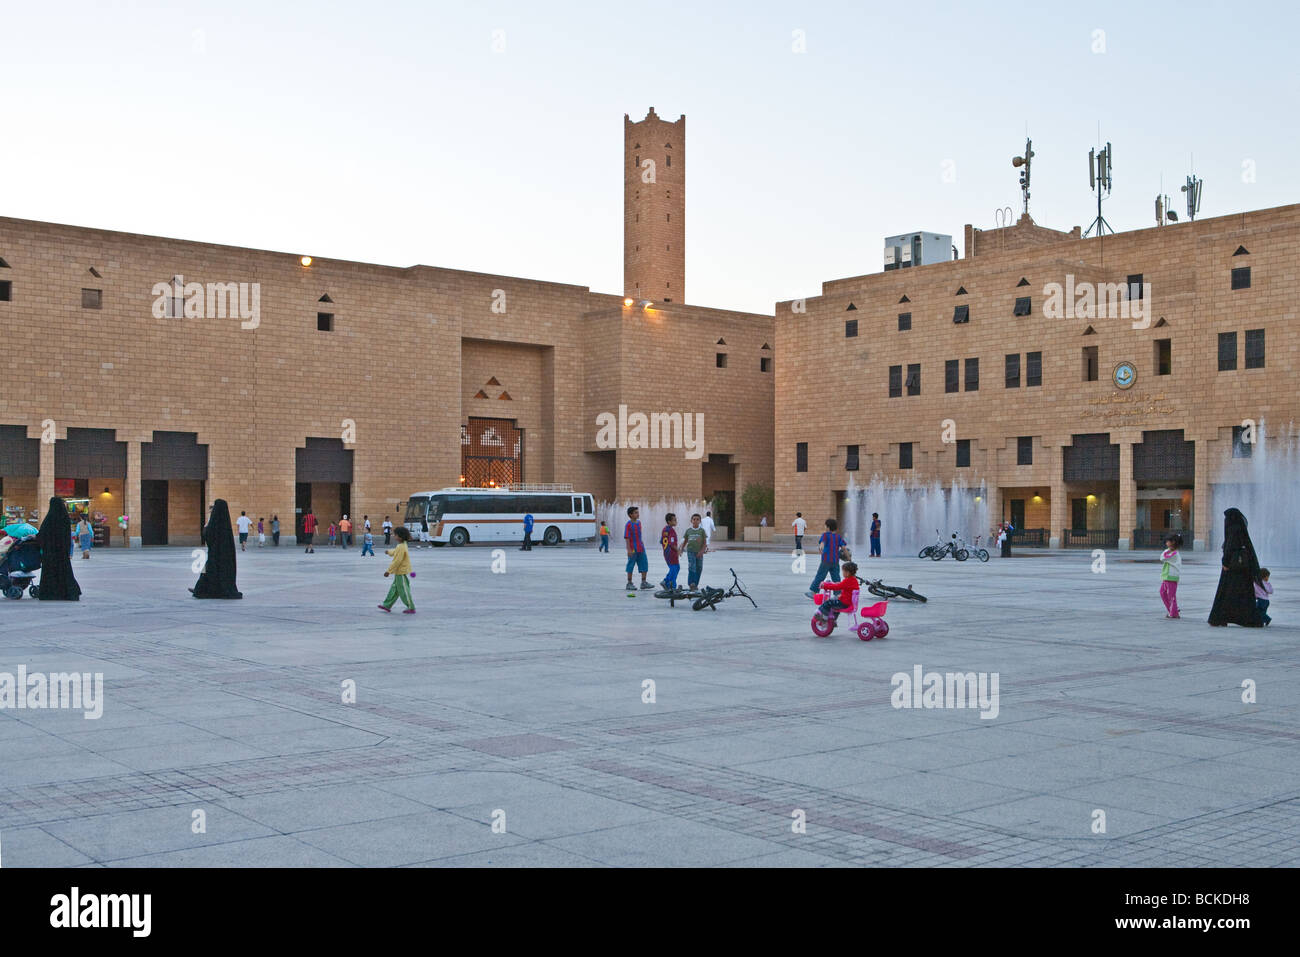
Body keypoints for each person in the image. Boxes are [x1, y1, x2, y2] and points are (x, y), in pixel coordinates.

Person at [1209, 507, 1264, 627]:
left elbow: (1230, 547)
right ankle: (1248, 619)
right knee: (1243, 593)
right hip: (1243, 568)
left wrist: (1225, 562)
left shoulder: (1233, 530)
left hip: (1232, 568)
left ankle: (1221, 617)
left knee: (1226, 592)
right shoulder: (1241, 530)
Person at [190, 499, 242, 598]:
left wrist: (205, 527)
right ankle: (201, 589)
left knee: (207, 572)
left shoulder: (214, 523)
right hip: (224, 557)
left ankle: (200, 590)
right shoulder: (226, 525)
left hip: (214, 555)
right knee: (212, 572)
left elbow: (208, 537)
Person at [36, 496, 81, 600]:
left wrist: (36, 538)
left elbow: (42, 535)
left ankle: (51, 593)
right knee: (64, 572)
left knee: (51, 572)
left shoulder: (49, 519)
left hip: (50, 553)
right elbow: (67, 537)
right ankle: (69, 592)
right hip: (62, 552)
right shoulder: (65, 519)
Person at [378, 526, 415, 613]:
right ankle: (387, 605)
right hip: (399, 572)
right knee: (394, 590)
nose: (394, 536)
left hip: (401, 572)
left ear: (400, 537)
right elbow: (395, 552)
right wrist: (389, 552)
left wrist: (388, 571)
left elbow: (397, 561)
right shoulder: (402, 545)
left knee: (404, 590)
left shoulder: (401, 547)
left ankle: (411, 607)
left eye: (395, 535)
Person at [806, 518, 847, 598]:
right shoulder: (838, 537)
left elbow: (822, 543)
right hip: (835, 561)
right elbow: (844, 548)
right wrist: (848, 557)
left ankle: (813, 592)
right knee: (836, 577)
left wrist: (821, 548)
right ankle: (838, 594)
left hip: (826, 560)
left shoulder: (825, 535)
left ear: (828, 527)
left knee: (820, 576)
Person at [624, 506, 651, 590]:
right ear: (630, 515)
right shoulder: (628, 524)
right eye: (635, 512)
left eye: (637, 512)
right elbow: (627, 537)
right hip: (632, 548)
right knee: (631, 565)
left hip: (641, 547)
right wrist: (628, 549)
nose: (638, 514)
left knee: (644, 563)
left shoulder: (639, 523)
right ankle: (629, 583)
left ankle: (643, 582)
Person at [681, 513, 708, 590]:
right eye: (694, 519)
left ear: (700, 521)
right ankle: (691, 583)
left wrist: (701, 551)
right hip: (690, 551)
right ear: (691, 521)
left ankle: (695, 584)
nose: (695, 521)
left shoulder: (702, 531)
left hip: (699, 552)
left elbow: (704, 543)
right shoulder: (688, 531)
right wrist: (681, 549)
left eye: (697, 519)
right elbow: (685, 541)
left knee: (699, 568)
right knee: (692, 566)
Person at [1159, 533, 1183, 619]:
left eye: (1168, 541)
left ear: (1173, 542)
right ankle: (1173, 609)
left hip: (1171, 577)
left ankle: (1173, 613)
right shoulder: (1169, 551)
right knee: (1162, 592)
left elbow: (1163, 558)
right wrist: (1168, 550)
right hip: (1166, 576)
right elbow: (1162, 556)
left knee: (1171, 595)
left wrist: (1167, 551)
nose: (1166, 542)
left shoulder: (1174, 554)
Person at [660, 513, 680, 591]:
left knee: (675, 568)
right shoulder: (671, 530)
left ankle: (666, 582)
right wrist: (678, 550)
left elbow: (662, 541)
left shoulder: (665, 529)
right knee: (674, 569)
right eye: (674, 520)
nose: (676, 521)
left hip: (666, 553)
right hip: (672, 553)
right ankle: (671, 586)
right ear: (669, 521)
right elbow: (672, 544)